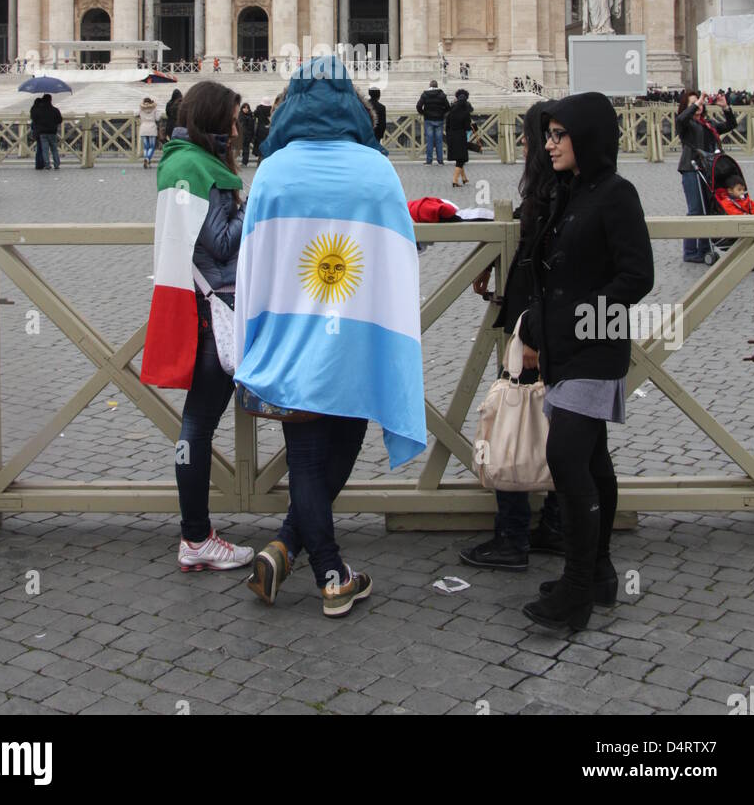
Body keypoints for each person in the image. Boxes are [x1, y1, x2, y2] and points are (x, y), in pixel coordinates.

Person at [237, 56, 425, 617]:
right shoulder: (376, 170)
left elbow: (254, 262)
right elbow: (399, 252)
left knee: (308, 457)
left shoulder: (272, 170)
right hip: (358, 335)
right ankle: (332, 574)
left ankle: (288, 548)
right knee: (341, 441)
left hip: (293, 333)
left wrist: (254, 336)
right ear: (351, 104)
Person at [520, 92, 654, 633]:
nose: (548, 144)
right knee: (594, 461)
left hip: (595, 348)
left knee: (568, 458)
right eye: (547, 134)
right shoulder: (569, 191)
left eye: (558, 135)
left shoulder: (618, 194)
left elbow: (637, 276)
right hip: (562, 350)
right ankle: (598, 574)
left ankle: (576, 590)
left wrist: (580, 314)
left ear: (588, 138)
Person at [140, 81, 253, 573]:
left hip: (209, 303)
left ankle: (196, 533)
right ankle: (195, 536)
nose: (236, 128)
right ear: (212, 119)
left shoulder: (186, 162)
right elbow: (222, 243)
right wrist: (260, 211)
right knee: (198, 425)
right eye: (231, 119)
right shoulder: (195, 168)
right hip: (215, 309)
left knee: (197, 424)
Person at [460, 103, 561, 571]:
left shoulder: (551, 190)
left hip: (535, 324)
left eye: (528, 136)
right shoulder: (555, 187)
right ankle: (556, 526)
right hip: (541, 319)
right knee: (556, 423)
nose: (523, 143)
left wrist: (536, 332)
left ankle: (513, 536)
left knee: (512, 418)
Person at [675, 90, 737, 263]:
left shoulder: (707, 123)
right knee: (695, 211)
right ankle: (690, 251)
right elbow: (680, 119)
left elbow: (731, 125)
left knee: (707, 210)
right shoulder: (685, 124)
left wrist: (726, 107)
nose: (699, 107)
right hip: (691, 169)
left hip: (709, 170)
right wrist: (697, 101)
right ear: (686, 107)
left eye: (701, 103)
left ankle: (703, 249)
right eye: (694, 104)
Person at [416, 79, 450, 166]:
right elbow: (448, 107)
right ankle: (440, 161)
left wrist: (423, 113)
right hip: (439, 119)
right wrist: (442, 113)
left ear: (429, 86)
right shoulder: (442, 95)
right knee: (439, 141)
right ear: (437, 86)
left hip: (429, 119)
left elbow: (419, 106)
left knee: (430, 141)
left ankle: (429, 161)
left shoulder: (425, 94)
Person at [446, 88, 472, 188]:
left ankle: (464, 178)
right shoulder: (465, 112)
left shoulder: (451, 111)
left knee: (459, 158)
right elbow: (467, 127)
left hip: (451, 135)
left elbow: (447, 125)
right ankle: (455, 180)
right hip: (460, 136)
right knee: (461, 158)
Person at [31, 93, 62, 169]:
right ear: (50, 100)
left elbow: (35, 119)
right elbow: (60, 120)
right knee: (54, 149)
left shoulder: (39, 110)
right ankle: (57, 164)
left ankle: (47, 165)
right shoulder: (55, 110)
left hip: (43, 132)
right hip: (52, 132)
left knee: (45, 149)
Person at [138, 97, 159, 168]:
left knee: (145, 147)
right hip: (152, 127)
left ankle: (146, 159)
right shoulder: (154, 108)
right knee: (152, 146)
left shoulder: (141, 108)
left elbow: (135, 114)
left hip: (143, 127)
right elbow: (157, 118)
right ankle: (148, 158)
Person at [238, 101, 255, 167]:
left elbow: (252, 127)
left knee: (246, 148)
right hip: (241, 135)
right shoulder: (240, 115)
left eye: (247, 108)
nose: (246, 109)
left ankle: (245, 162)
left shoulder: (250, 116)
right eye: (244, 108)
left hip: (248, 135)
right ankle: (242, 161)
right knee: (241, 148)